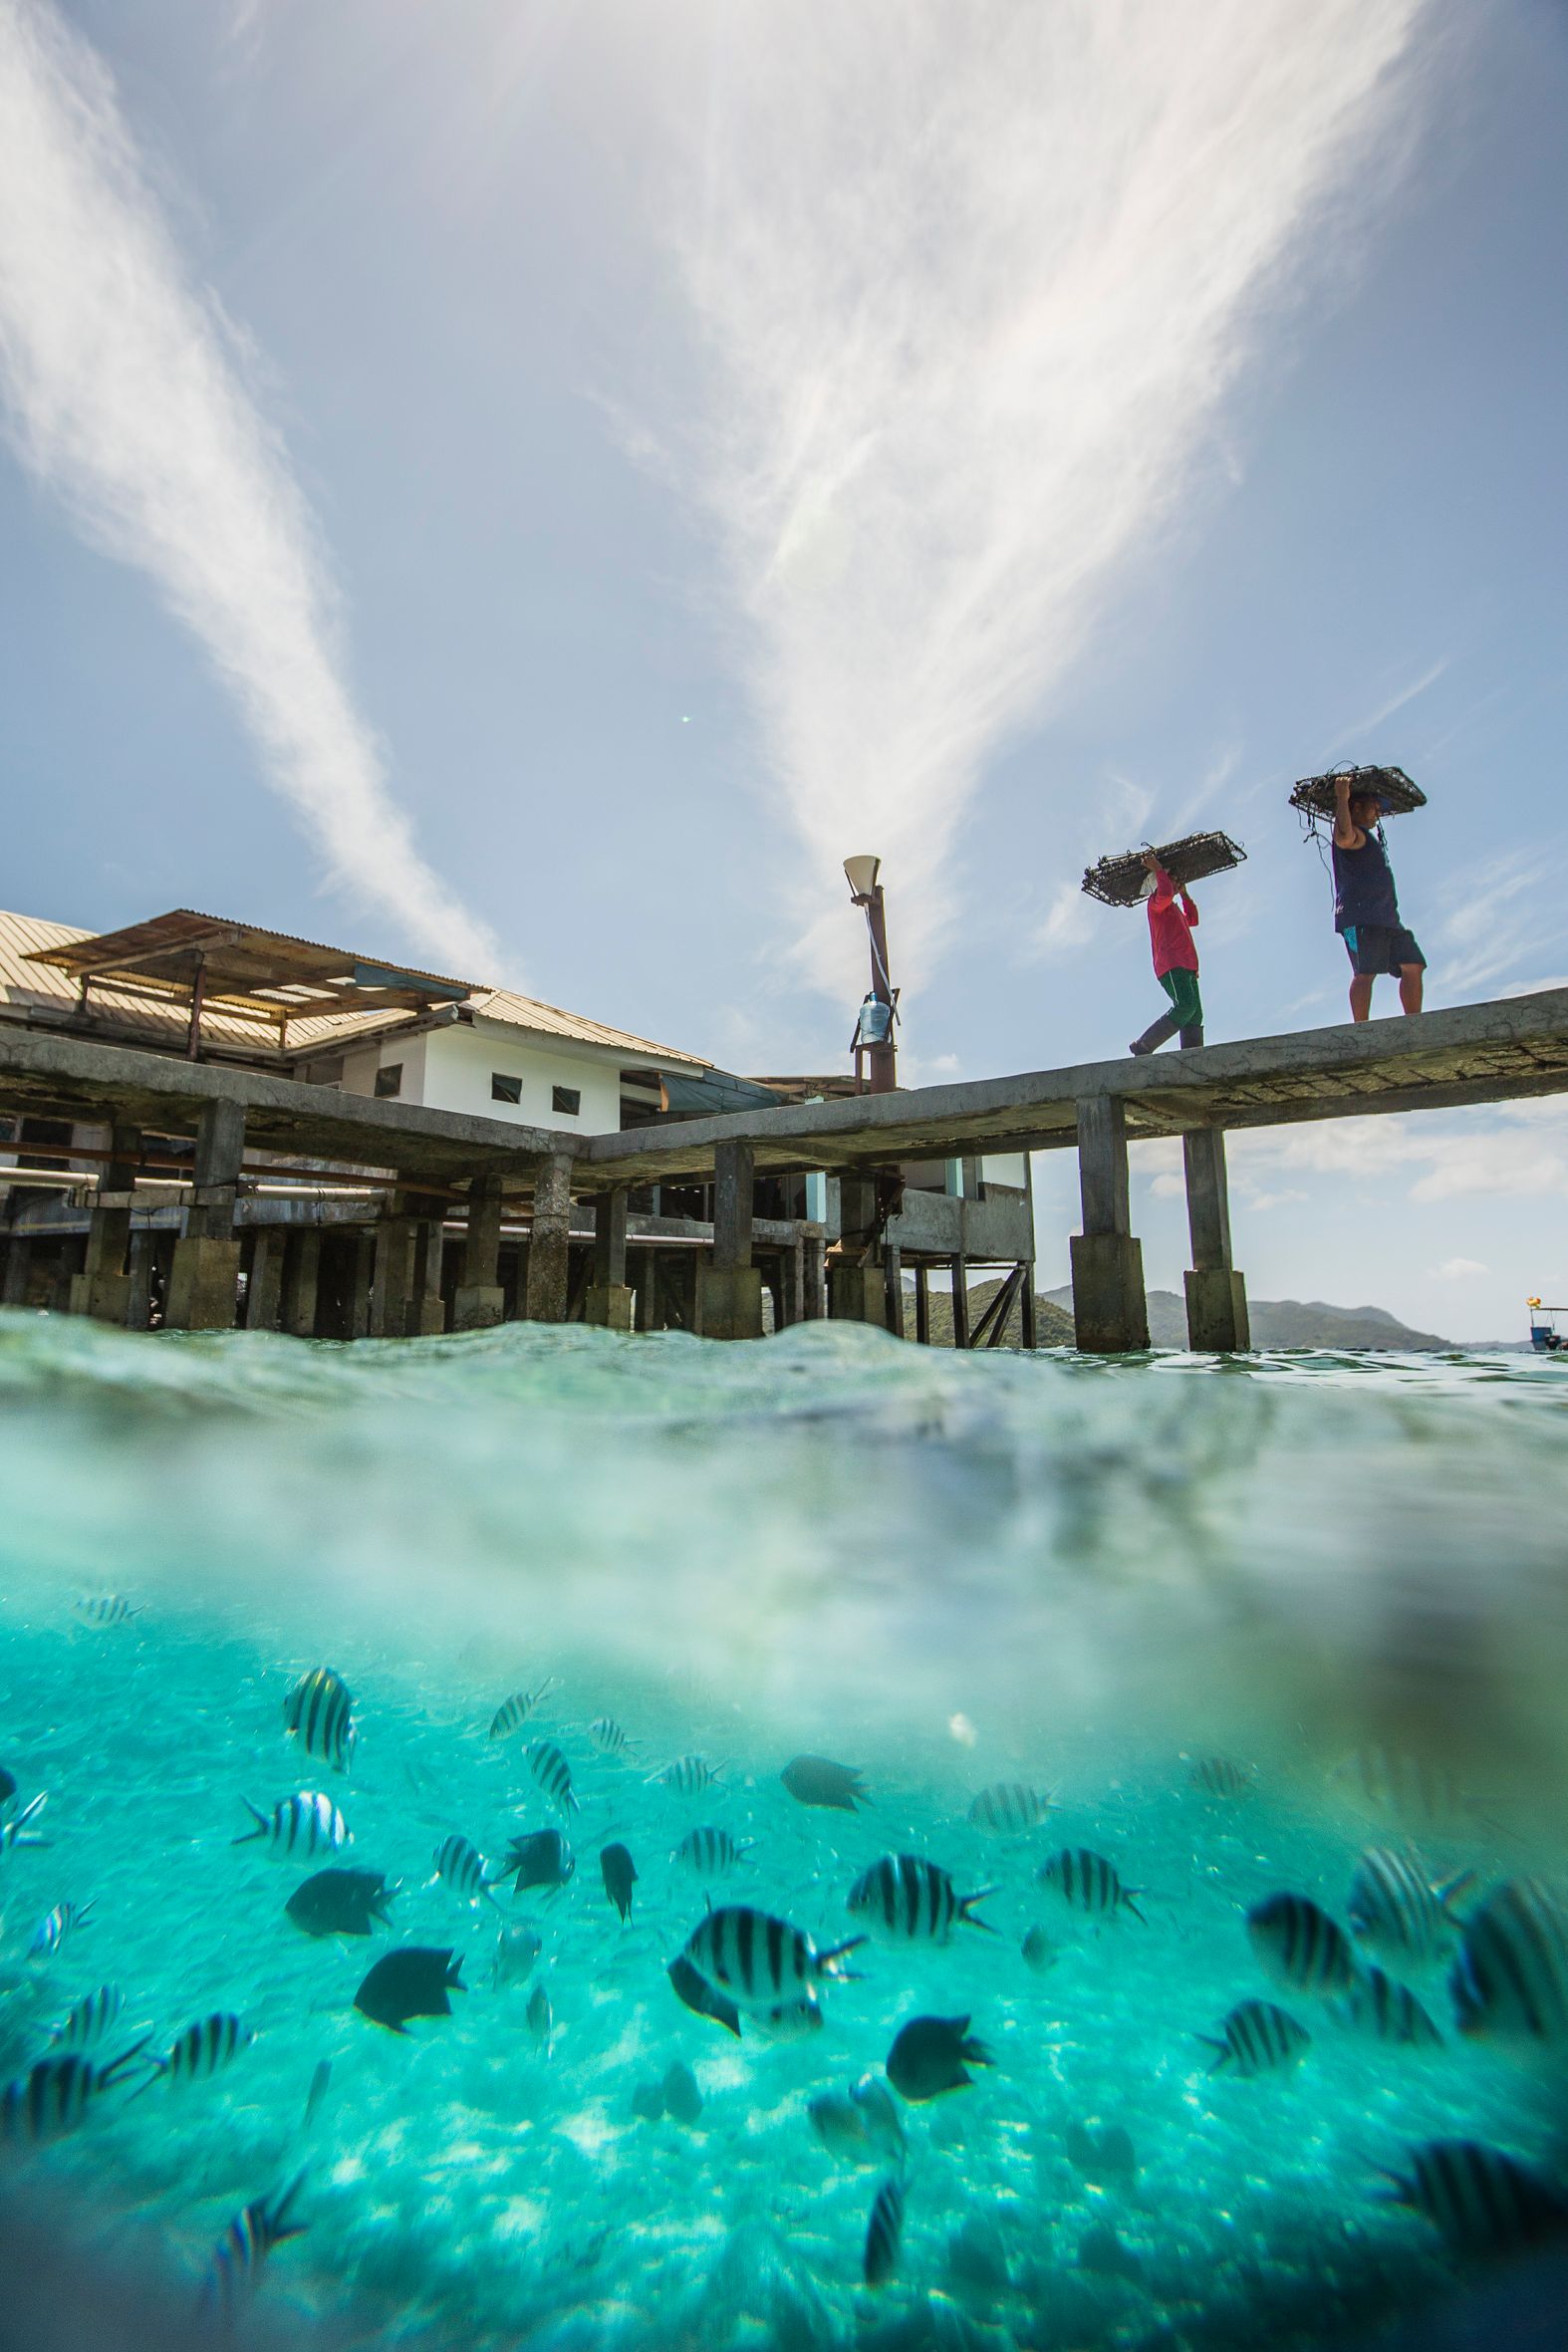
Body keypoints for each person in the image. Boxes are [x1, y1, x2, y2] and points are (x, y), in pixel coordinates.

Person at [1331, 774, 1425, 1020]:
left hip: (1386, 917)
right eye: (1374, 806)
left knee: (1412, 963)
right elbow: (1343, 836)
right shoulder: (1354, 835)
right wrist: (1342, 797)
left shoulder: (1367, 837)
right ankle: (1362, 1028)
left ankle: (1415, 1023)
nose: (1378, 812)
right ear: (1357, 807)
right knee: (1365, 972)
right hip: (1360, 916)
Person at [1129, 851, 1202, 1055]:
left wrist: (1185, 893)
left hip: (1187, 966)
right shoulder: (1156, 904)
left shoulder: (1172, 909)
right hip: (1172, 965)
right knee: (1185, 1006)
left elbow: (1193, 919)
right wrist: (1159, 869)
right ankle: (1144, 1044)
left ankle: (1193, 1055)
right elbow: (1166, 894)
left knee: (1195, 1014)